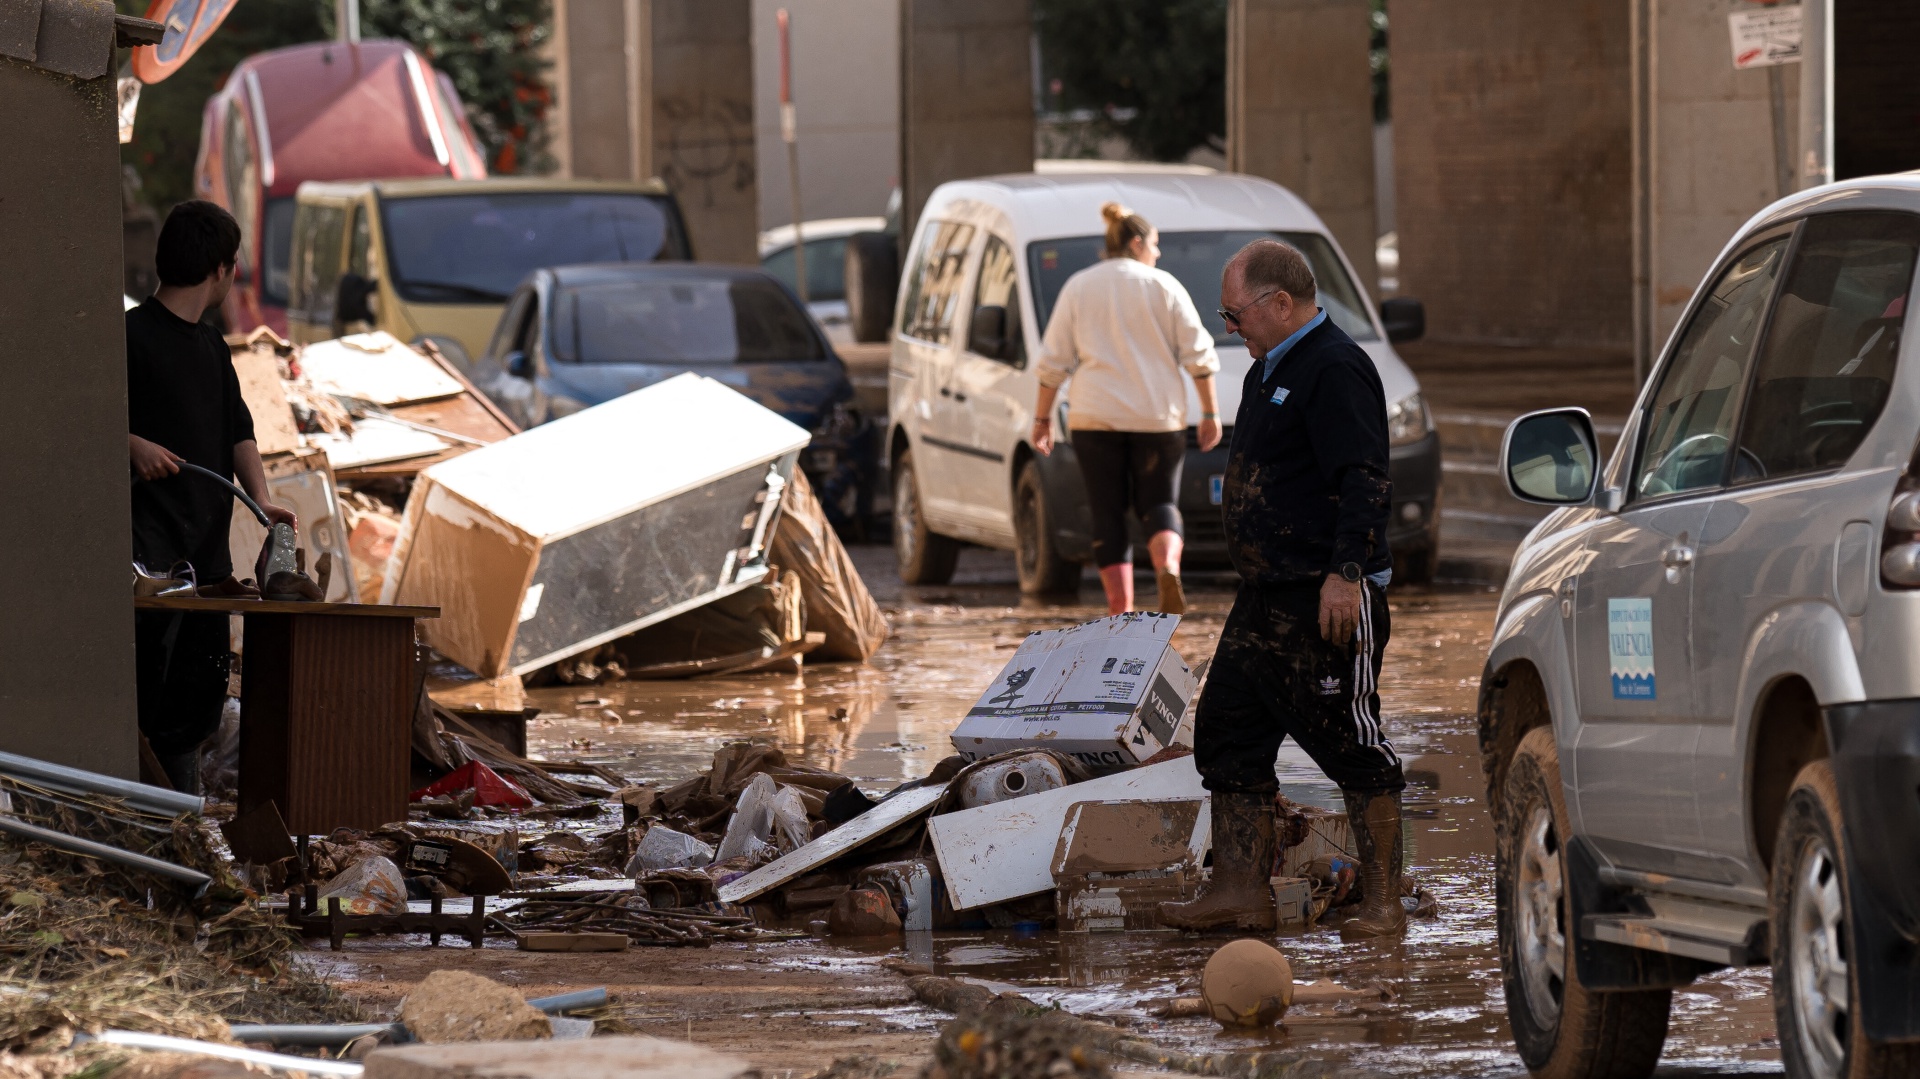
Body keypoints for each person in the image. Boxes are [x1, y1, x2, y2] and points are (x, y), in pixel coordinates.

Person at [1160, 239, 1403, 939]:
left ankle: (1383, 901)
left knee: (1353, 743)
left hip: (1322, 593)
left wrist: (1346, 574)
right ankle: (1239, 887)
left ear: (1281, 304)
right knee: (1227, 731)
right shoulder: (1269, 368)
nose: (1230, 329)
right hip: (1263, 593)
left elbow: (1364, 479)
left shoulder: (1335, 369)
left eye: (1235, 316)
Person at [127, 201, 295, 793]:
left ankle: (184, 831)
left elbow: (238, 429)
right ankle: (162, 832)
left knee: (195, 709)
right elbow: (78, 422)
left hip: (208, 567)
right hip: (150, 569)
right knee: (149, 709)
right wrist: (131, 444)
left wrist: (262, 501)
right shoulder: (129, 338)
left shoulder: (213, 345)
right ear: (219, 270)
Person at [1032, 202, 1222, 614]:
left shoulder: (1079, 287)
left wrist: (1042, 418)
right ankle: (1167, 565)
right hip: (1157, 417)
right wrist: (1209, 414)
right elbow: (1199, 356)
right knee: (1160, 504)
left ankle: (1121, 611)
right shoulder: (1164, 286)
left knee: (1107, 511)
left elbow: (1052, 364)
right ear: (1137, 243)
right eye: (1155, 245)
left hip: (1094, 417)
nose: (1157, 254)